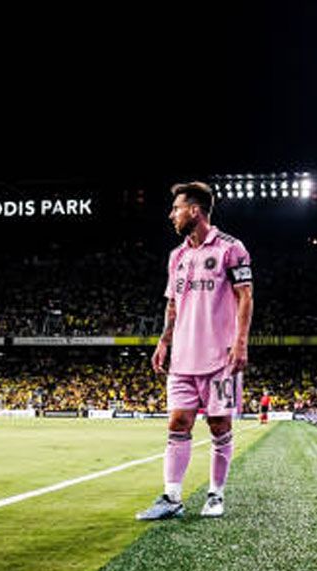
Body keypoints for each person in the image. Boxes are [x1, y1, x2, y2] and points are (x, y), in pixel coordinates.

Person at [138, 181, 253, 520]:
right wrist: (164, 341)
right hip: (182, 358)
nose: (171, 215)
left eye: (176, 209)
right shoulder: (177, 256)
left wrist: (241, 343)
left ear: (194, 210)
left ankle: (216, 494)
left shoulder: (231, 248)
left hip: (220, 358)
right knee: (178, 422)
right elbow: (172, 304)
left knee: (219, 425)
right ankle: (171, 497)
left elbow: (245, 296)